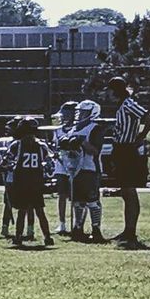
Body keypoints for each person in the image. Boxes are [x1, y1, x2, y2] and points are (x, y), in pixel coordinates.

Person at [107, 76, 150, 248]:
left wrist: (140, 137)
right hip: (121, 149)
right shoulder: (122, 106)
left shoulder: (128, 104)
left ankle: (131, 231)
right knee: (126, 192)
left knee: (129, 190)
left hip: (128, 149)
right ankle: (127, 229)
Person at [5, 117, 55, 247]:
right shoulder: (41, 145)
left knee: (22, 211)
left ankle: (18, 237)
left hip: (22, 181)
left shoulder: (17, 144)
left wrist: (6, 166)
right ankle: (47, 237)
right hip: (36, 182)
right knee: (40, 211)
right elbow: (50, 160)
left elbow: (6, 160)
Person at [63, 100, 107, 243]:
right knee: (77, 201)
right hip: (75, 169)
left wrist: (81, 142)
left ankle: (96, 229)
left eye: (83, 112)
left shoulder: (95, 128)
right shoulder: (73, 129)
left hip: (90, 169)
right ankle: (78, 228)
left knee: (92, 201)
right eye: (79, 111)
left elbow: (95, 150)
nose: (80, 114)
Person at [51, 101, 78, 235]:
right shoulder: (58, 130)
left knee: (76, 197)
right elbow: (54, 145)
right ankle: (62, 223)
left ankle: (77, 224)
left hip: (75, 165)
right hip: (61, 166)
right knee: (62, 195)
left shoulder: (77, 129)